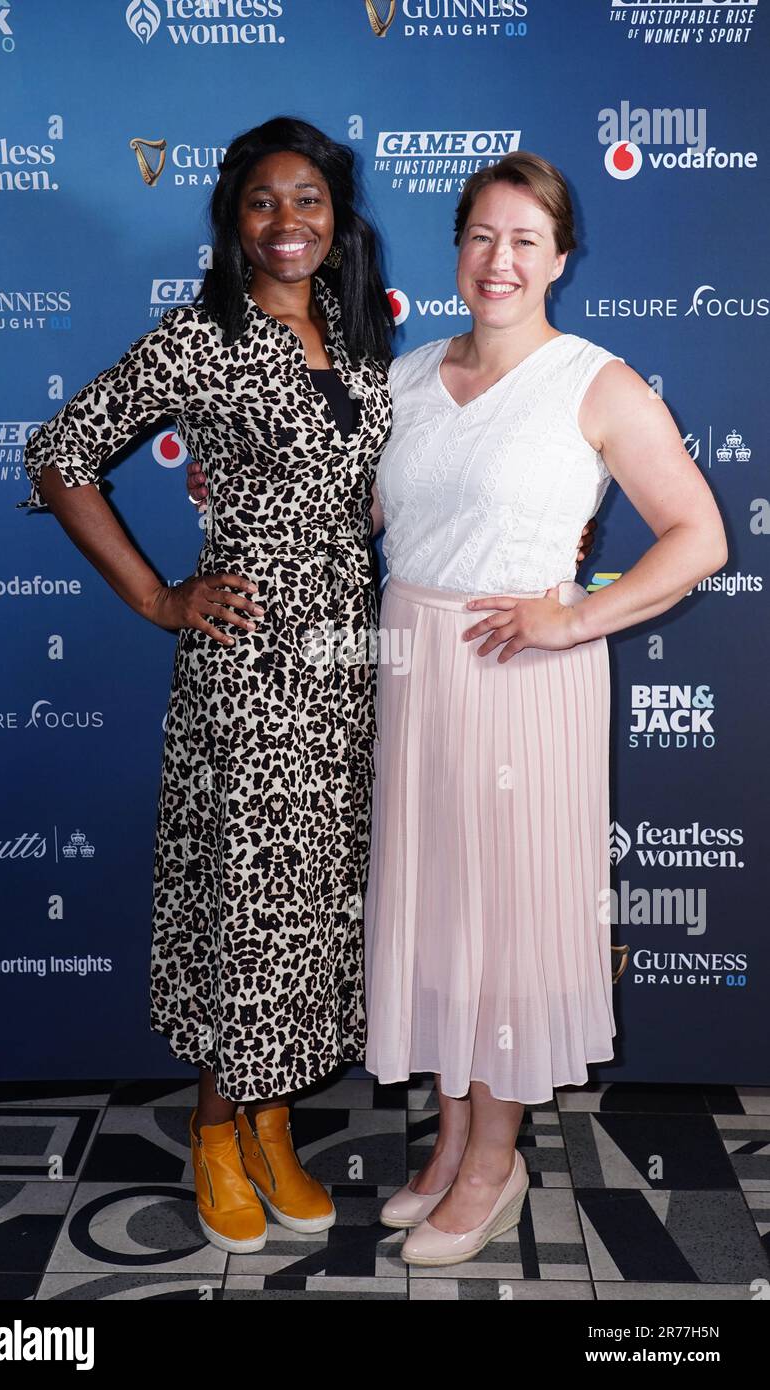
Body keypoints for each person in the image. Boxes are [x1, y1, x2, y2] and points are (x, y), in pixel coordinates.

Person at [16, 116, 397, 1254]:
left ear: (339, 216)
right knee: (243, 904)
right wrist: (158, 596)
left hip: (345, 655)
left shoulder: (357, 327)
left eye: (309, 201)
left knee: (318, 901)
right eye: (263, 203)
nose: (289, 224)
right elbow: (58, 449)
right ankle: (214, 1125)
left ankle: (274, 1118)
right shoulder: (201, 339)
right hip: (251, 660)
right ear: (233, 222)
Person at [359, 151, 727, 1267]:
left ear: (559, 257)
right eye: (480, 236)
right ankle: (454, 1134)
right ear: (455, 250)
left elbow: (698, 538)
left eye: (524, 239)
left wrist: (568, 620)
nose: (499, 259)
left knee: (506, 917)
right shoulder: (408, 374)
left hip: (523, 678)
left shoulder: (595, 382)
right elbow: (363, 512)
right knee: (436, 909)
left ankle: (493, 1161)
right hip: (416, 663)